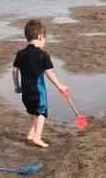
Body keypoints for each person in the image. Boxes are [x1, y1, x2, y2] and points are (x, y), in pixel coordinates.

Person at [12, 19, 68, 147]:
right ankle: (37, 137)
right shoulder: (43, 55)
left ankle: (31, 133)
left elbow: (15, 70)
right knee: (41, 113)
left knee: (32, 111)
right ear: (40, 36)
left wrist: (17, 86)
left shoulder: (21, 54)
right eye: (44, 39)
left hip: (25, 92)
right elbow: (49, 74)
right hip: (38, 91)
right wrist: (60, 87)